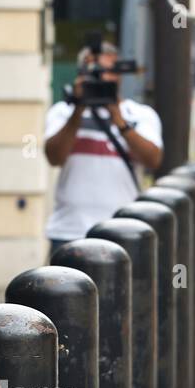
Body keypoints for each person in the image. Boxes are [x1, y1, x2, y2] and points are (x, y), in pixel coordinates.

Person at [43, 41, 163, 260]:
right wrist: (78, 109)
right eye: (94, 72)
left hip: (121, 231)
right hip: (70, 231)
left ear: (119, 75)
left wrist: (120, 120)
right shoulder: (62, 112)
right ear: (80, 74)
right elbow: (54, 157)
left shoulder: (139, 114)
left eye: (108, 71)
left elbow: (153, 159)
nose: (102, 78)